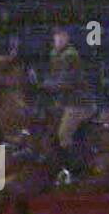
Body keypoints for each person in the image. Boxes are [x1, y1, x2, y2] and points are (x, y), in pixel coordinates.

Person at [40, 25, 94, 184]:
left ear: (67, 39)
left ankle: (72, 172)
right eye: (57, 36)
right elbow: (54, 77)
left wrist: (44, 85)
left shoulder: (70, 55)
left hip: (78, 103)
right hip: (64, 102)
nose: (59, 39)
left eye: (62, 36)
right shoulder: (54, 54)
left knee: (63, 135)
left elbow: (65, 82)